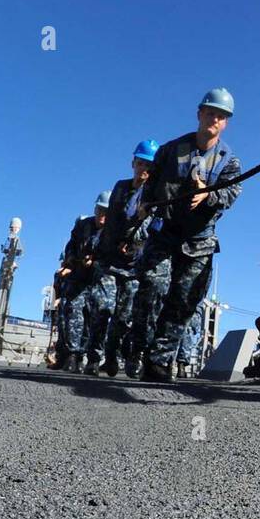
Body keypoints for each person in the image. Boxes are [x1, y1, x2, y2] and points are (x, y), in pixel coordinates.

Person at [130, 89, 242, 382]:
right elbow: (150, 184)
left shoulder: (229, 161)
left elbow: (232, 193)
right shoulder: (169, 150)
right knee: (152, 289)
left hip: (199, 241)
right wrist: (145, 205)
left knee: (184, 301)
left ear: (226, 122)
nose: (214, 119)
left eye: (221, 116)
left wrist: (208, 196)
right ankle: (139, 347)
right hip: (165, 234)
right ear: (199, 113)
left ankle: (159, 362)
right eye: (210, 112)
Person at [99, 139, 159, 377]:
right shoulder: (121, 187)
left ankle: (125, 356)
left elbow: (153, 223)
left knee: (125, 316)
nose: (144, 169)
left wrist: (135, 242)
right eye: (141, 163)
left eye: (149, 165)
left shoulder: (154, 193)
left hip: (135, 265)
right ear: (133, 162)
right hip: (112, 260)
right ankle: (104, 357)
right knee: (104, 307)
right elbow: (112, 221)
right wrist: (110, 248)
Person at [60, 193, 110, 374]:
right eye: (100, 211)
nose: (102, 216)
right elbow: (71, 245)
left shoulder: (115, 230)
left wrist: (95, 262)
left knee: (101, 314)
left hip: (101, 277)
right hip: (80, 275)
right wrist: (72, 259)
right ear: (95, 209)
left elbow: (117, 255)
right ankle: (74, 355)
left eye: (107, 212)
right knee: (73, 311)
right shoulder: (83, 225)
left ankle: (94, 359)